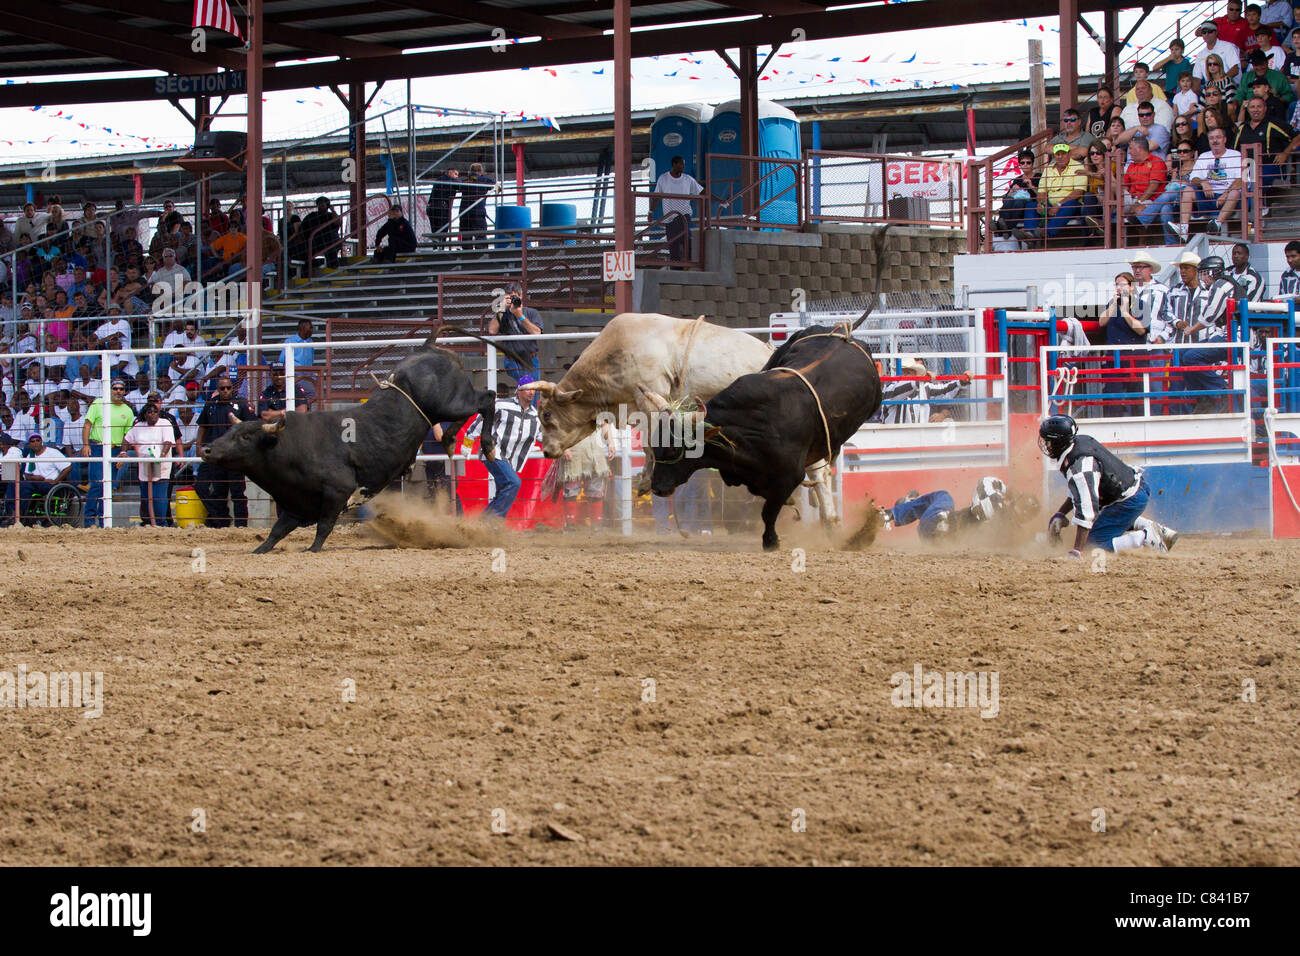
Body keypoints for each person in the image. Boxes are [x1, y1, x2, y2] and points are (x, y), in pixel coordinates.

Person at [1039, 414, 1178, 555]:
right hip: (1133, 491)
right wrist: (1061, 513)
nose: (1046, 445)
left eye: (1049, 441)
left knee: (1092, 546)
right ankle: (1151, 527)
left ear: (1059, 443)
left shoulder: (1079, 467)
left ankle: (1145, 537)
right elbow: (1078, 491)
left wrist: (1078, 551)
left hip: (1128, 500)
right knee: (1099, 523)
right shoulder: (1078, 443)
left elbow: (1087, 509)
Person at [469, 378, 541, 520]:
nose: (531, 392)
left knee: (503, 490)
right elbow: (481, 420)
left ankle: (482, 523)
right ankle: (494, 520)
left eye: (533, 389)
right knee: (513, 483)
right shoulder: (501, 405)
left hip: (510, 459)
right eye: (528, 389)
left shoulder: (535, 416)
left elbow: (542, 436)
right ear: (519, 390)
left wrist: (562, 448)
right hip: (493, 452)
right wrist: (468, 441)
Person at [1177, 255, 1238, 413]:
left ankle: (1221, 390)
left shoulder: (1221, 284)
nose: (1202, 278)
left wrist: (1192, 329)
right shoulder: (1224, 283)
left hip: (1232, 336)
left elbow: (1211, 314)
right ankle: (1203, 396)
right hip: (1227, 336)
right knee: (1183, 352)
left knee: (1191, 357)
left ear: (1213, 271)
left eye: (1204, 273)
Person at [194, 376, 257, 527]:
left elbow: (253, 425)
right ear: (218, 389)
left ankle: (241, 526)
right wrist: (198, 445)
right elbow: (202, 425)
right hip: (216, 457)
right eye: (222, 388)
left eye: (228, 388)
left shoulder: (241, 404)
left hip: (235, 457)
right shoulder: (211, 405)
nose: (226, 391)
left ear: (232, 388)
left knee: (237, 493)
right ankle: (222, 523)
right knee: (216, 492)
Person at [80, 378, 136, 526]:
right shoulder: (98, 403)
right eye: (115, 388)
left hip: (115, 449)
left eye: (121, 389)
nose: (118, 391)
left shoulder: (128, 411)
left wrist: (123, 453)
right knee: (98, 484)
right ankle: (90, 520)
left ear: (124, 392)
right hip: (98, 447)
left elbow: (127, 436)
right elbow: (87, 425)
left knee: (108, 486)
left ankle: (103, 519)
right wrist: (86, 445)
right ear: (110, 390)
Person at [1173, 126, 1245, 238]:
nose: (1215, 141)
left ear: (1224, 139)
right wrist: (1203, 182)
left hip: (1228, 198)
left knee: (1235, 192)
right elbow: (1193, 178)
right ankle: (1183, 228)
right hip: (1207, 196)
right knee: (1187, 190)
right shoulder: (1203, 156)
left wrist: (1225, 194)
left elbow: (1241, 180)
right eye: (1211, 138)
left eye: (1218, 137)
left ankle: (1217, 224)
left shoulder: (1235, 155)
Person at [1097, 272, 1150, 416]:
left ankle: (1139, 426)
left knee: (1137, 397)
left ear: (1131, 287)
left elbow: (1141, 330)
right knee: (1112, 395)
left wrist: (1125, 311)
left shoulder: (1141, 304)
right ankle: (1114, 426)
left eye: (1123, 284)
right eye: (1117, 284)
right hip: (1114, 357)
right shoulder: (1111, 304)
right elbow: (1102, 322)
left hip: (1135, 358)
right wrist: (1114, 305)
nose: (1119, 288)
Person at [121, 401, 175, 527]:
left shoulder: (165, 424)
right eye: (149, 412)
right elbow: (127, 439)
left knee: (158, 497)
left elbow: (168, 441)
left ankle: (161, 523)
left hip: (160, 465)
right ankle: (147, 522)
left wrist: (162, 456)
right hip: (144, 464)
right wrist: (123, 452)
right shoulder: (139, 426)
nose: (152, 415)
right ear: (145, 415)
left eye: (155, 412)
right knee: (146, 496)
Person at [1023, 143, 1090, 240]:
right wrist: (1041, 203)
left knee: (1070, 205)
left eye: (1063, 154)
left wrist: (1059, 205)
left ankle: (1046, 233)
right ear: (1054, 155)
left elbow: (1078, 192)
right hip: (1051, 205)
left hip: (1070, 205)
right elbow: (1042, 191)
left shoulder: (1078, 167)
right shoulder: (1049, 169)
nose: (1060, 157)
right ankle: (1030, 235)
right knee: (1031, 206)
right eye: (1057, 154)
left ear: (1069, 154)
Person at [880, 356, 971, 423]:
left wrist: (962, 381)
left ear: (915, 373)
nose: (904, 375)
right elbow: (901, 389)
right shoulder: (890, 387)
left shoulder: (925, 387)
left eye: (907, 372)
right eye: (902, 372)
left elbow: (944, 390)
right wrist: (921, 379)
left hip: (918, 434)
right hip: (895, 435)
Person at [559, 421, 612, 531]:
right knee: (571, 490)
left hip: (595, 453)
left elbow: (605, 424)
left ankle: (596, 526)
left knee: (596, 491)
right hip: (574, 452)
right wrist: (564, 447)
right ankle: (570, 526)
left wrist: (610, 443)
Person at [654, 155, 704, 263]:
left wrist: (719, 199)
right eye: (681, 164)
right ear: (674, 165)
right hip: (669, 218)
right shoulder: (663, 178)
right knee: (673, 245)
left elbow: (701, 191)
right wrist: (650, 211)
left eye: (683, 164)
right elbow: (656, 196)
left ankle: (689, 263)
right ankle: (676, 267)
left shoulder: (688, 179)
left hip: (683, 215)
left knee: (687, 239)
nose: (683, 167)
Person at [487, 289, 542, 383]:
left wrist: (520, 315)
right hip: (512, 359)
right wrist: (501, 309)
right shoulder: (502, 314)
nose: (513, 300)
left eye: (515, 297)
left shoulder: (532, 312)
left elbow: (537, 332)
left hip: (531, 359)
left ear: (521, 296)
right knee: (527, 385)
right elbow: (492, 330)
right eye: (510, 297)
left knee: (532, 391)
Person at [16, 433, 71, 519]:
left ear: (41, 441)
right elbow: (27, 475)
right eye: (32, 441)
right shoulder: (30, 456)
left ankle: (21, 515)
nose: (35, 443)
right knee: (16, 486)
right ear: (29, 444)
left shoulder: (52, 453)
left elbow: (68, 467)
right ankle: (15, 513)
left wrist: (56, 480)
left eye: (38, 440)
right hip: (35, 483)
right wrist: (35, 477)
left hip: (49, 484)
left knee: (25, 487)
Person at [458, 163, 495, 249]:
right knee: (480, 236)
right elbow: (496, 187)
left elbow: (458, 188)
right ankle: (481, 257)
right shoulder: (484, 180)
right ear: (480, 171)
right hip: (478, 212)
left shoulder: (464, 181)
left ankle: (467, 257)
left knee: (466, 237)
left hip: (464, 212)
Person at [301, 196, 341, 269]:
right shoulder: (312, 216)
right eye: (319, 204)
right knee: (303, 250)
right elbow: (303, 228)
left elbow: (337, 223)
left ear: (327, 205)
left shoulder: (330, 215)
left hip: (329, 240)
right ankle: (307, 269)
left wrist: (333, 210)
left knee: (331, 244)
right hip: (315, 240)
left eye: (323, 204)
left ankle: (333, 267)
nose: (321, 206)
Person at [425, 168, 459, 248]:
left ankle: (436, 248)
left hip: (432, 207)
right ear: (449, 172)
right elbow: (461, 186)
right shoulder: (449, 180)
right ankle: (441, 249)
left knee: (435, 231)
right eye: (455, 174)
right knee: (443, 231)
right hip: (441, 208)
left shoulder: (439, 180)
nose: (456, 177)